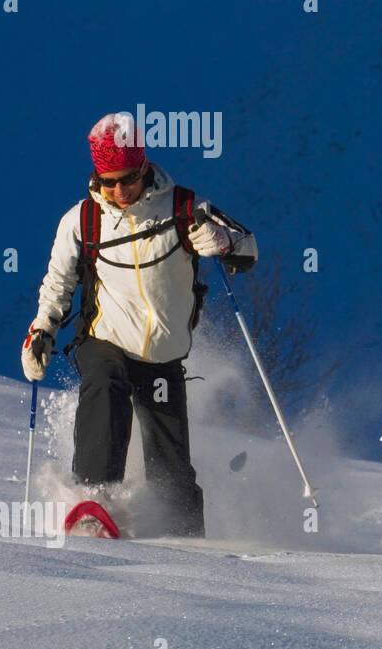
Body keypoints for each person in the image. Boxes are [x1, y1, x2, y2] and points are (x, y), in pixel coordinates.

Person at [21, 112, 258, 537]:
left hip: (162, 357)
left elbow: (247, 250)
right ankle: (95, 501)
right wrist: (41, 333)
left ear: (144, 167)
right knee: (106, 383)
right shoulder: (82, 220)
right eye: (107, 180)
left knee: (172, 469)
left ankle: (185, 539)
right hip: (104, 338)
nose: (118, 190)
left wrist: (222, 243)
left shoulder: (186, 208)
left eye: (127, 179)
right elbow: (57, 283)